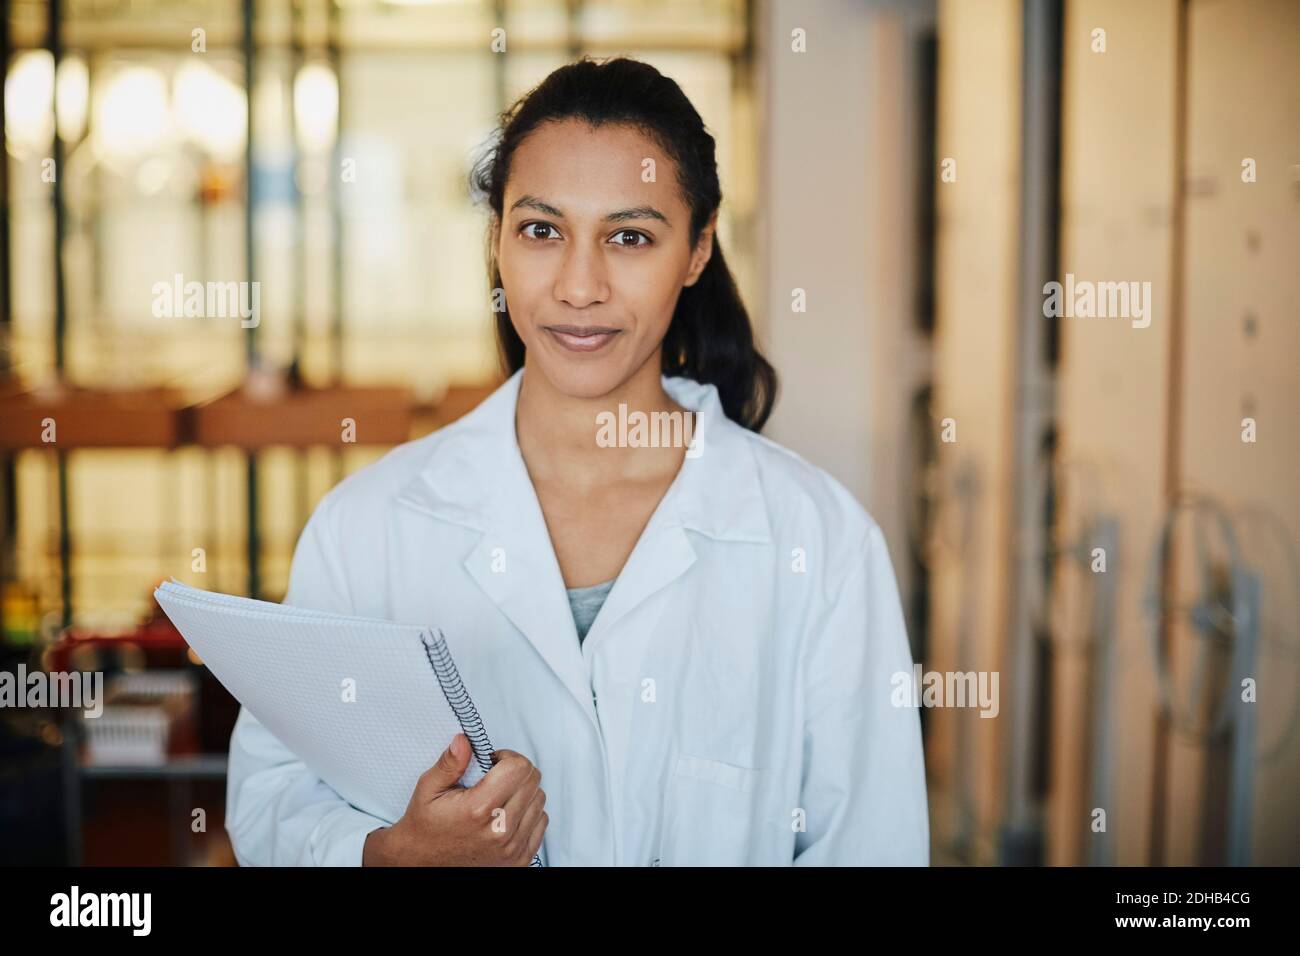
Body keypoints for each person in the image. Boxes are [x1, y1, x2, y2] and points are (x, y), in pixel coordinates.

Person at [225, 55, 929, 866]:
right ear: (496, 241)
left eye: (630, 236)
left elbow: (871, 844)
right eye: (541, 230)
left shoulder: (821, 542)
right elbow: (275, 797)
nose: (580, 285)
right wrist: (387, 855)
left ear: (698, 250)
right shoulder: (368, 528)